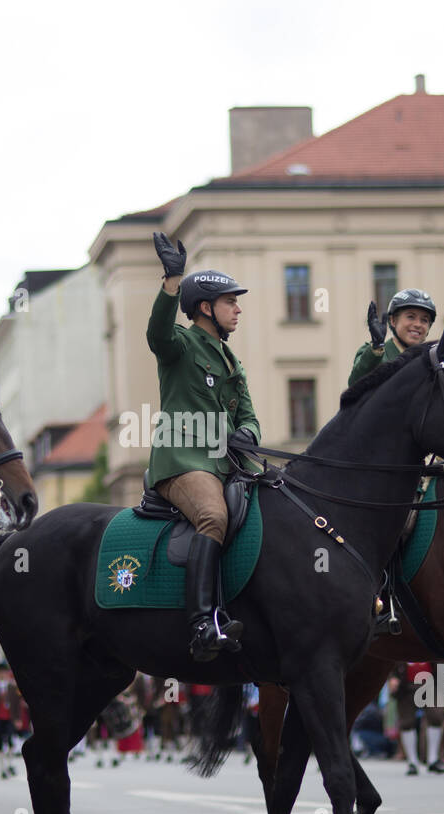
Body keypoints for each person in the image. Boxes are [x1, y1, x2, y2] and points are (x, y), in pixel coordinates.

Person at [148, 233, 262, 661]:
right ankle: (201, 624)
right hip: (183, 460)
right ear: (205, 308)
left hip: (228, 462)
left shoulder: (232, 361)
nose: (238, 309)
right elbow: (156, 333)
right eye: (230, 301)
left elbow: (248, 414)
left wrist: (248, 434)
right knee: (213, 515)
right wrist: (172, 280)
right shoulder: (180, 344)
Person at [347, 288, 437, 386]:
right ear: (393, 321)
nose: (418, 324)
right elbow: (355, 383)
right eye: (411, 317)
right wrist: (376, 347)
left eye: (424, 320)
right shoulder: (374, 354)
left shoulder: (431, 361)